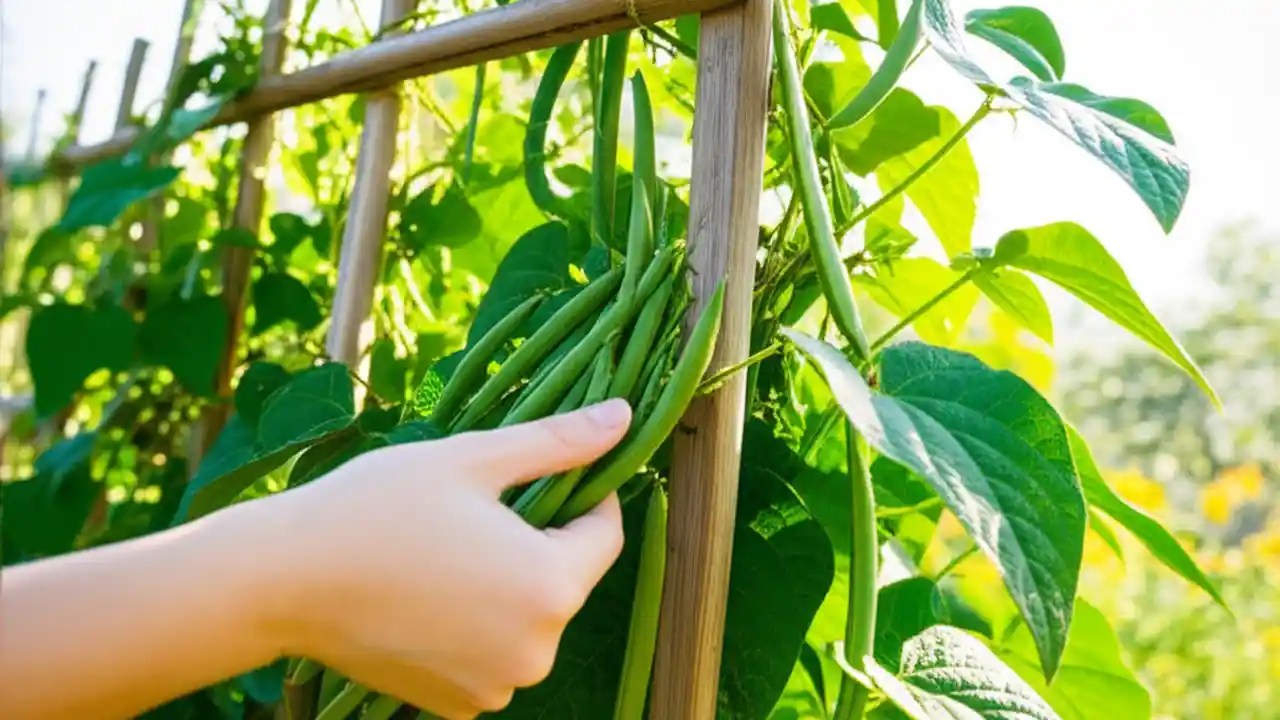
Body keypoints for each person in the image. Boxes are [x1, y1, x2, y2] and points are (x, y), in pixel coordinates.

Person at [0, 399, 634, 720]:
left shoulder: (431, 404)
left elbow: (443, 383)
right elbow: (432, 406)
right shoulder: (419, 414)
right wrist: (304, 575)